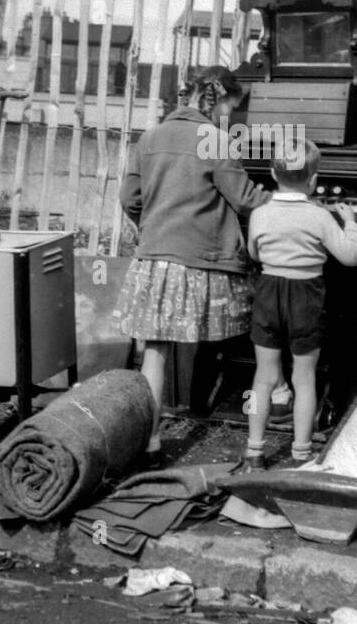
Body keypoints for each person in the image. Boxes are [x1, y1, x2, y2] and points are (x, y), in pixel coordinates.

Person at [116, 66, 271, 465]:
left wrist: (153, 227)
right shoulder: (215, 140)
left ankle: (149, 445)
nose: (230, 118)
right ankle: (280, 394)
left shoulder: (150, 138)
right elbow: (246, 200)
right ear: (218, 101)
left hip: (154, 260)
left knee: (155, 352)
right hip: (199, 263)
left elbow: (130, 197)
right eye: (230, 110)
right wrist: (290, 201)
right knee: (270, 310)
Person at [239, 139, 357, 470]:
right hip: (305, 295)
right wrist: (350, 223)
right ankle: (302, 454)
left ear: (271, 174)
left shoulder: (260, 213)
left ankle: (254, 452)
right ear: (313, 180)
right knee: (304, 377)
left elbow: (253, 253)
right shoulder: (319, 215)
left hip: (267, 291)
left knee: (264, 377)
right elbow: (350, 258)